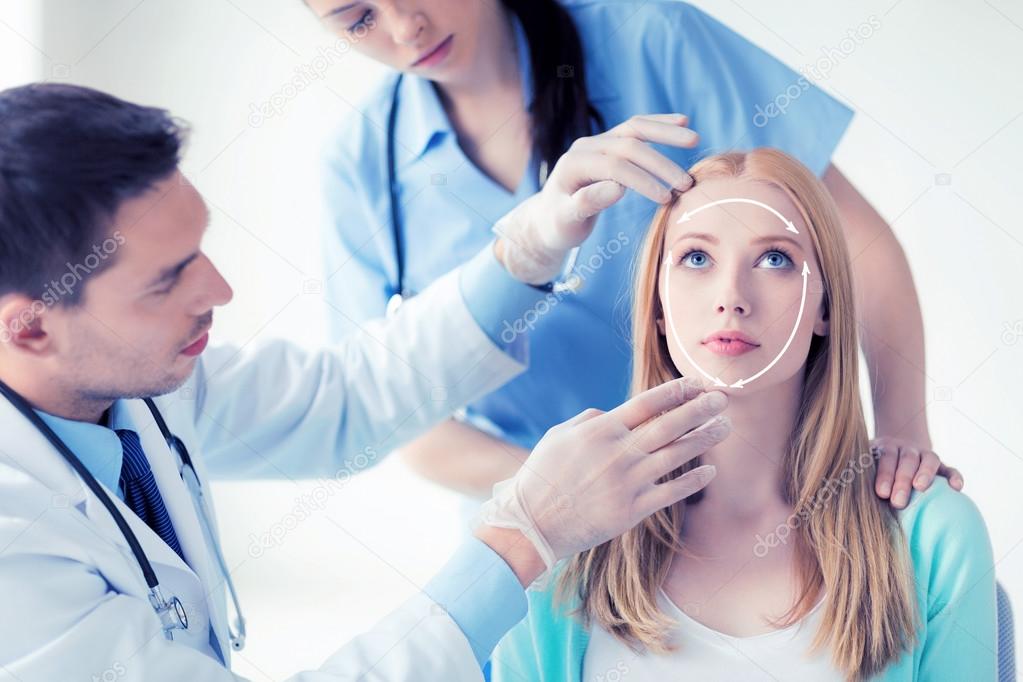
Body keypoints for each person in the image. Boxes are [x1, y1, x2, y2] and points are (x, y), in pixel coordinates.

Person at [0, 84, 733, 681]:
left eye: (199, 250)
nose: (219, 290)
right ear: (29, 327)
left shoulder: (136, 385)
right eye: (167, 281)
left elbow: (345, 401)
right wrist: (521, 542)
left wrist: (525, 249)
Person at [310, 0, 960, 508]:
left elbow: (854, 242)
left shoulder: (656, 42)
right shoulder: (361, 162)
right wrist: (585, 496)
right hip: (549, 534)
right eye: (358, 18)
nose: (405, 26)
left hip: (758, 490)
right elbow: (396, 414)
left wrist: (901, 428)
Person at [490, 149, 996, 681]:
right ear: (658, 307)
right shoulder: (554, 534)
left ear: (825, 306)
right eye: (697, 258)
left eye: (775, 258)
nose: (731, 297)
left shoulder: (933, 535)